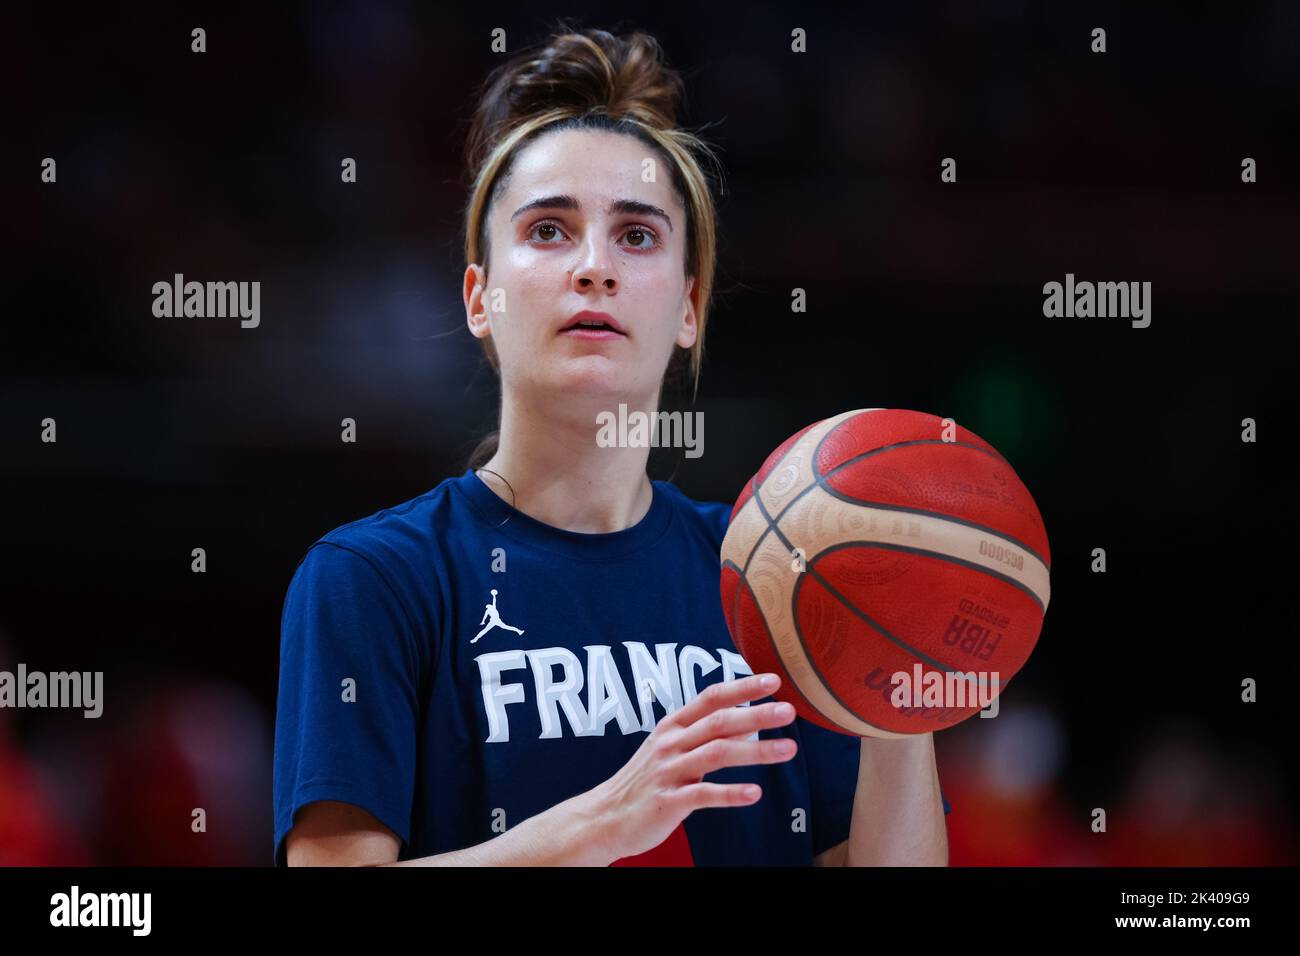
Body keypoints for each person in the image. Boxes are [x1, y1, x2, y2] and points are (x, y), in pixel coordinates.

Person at [273, 25, 950, 867]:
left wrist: (900, 696)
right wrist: (596, 828)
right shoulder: (374, 578)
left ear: (690, 305)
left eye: (637, 236)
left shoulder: (776, 582)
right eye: (549, 230)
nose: (595, 266)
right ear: (480, 299)